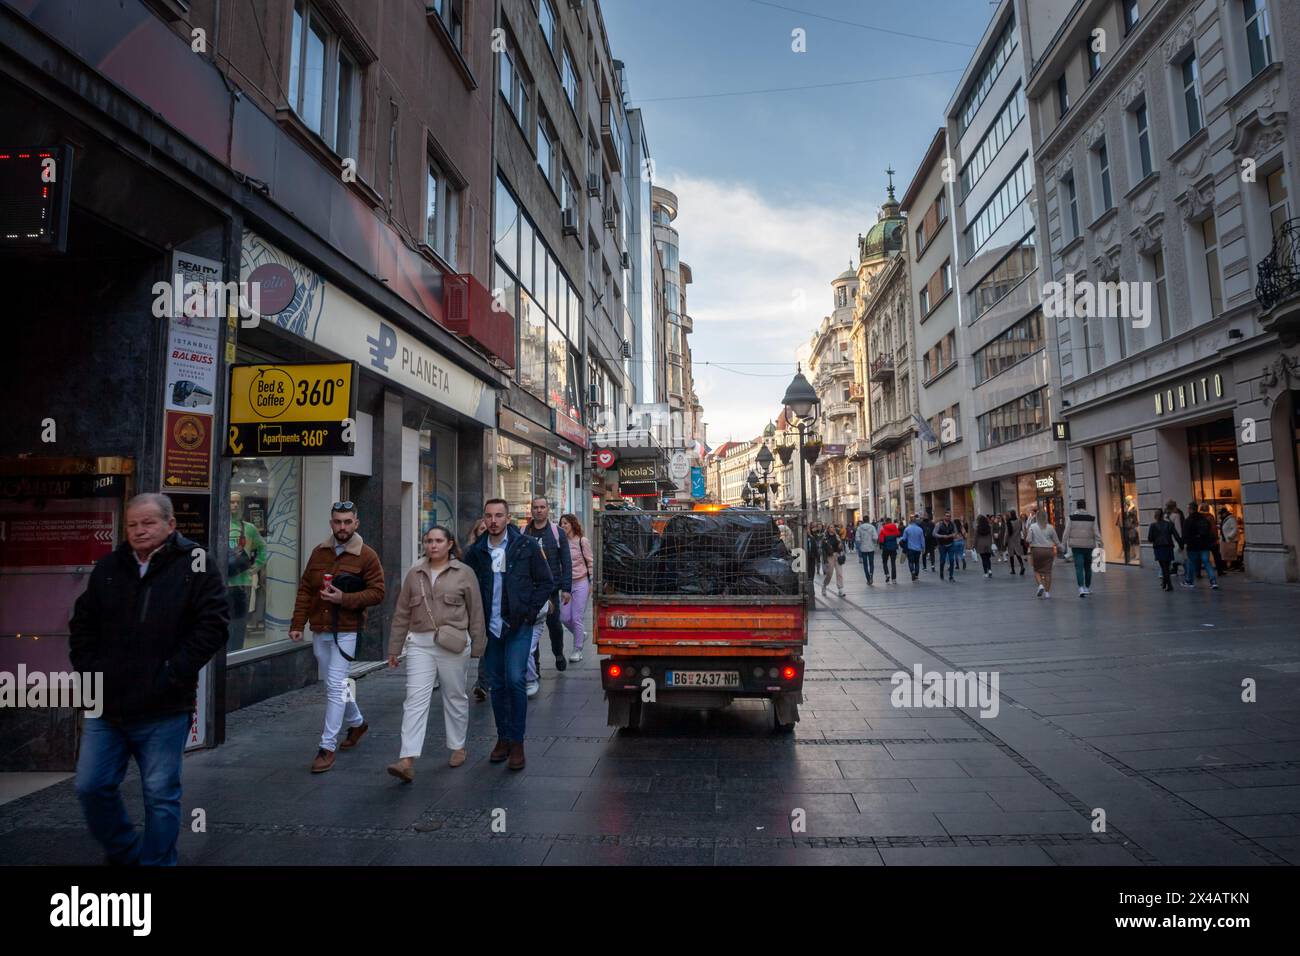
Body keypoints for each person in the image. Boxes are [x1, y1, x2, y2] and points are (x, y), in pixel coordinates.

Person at [69, 493, 228, 866]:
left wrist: (172, 673)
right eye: (132, 525)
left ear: (170, 525)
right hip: (106, 705)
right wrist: (92, 671)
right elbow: (82, 626)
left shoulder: (197, 563)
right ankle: (126, 853)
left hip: (163, 705)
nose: (139, 531)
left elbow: (213, 625)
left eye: (148, 523)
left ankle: (156, 864)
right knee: (91, 786)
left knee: (159, 794)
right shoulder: (110, 566)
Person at [290, 501, 386, 773]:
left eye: (347, 522)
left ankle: (326, 746)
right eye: (337, 522)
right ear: (331, 523)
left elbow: (378, 592)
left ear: (356, 523)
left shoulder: (366, 555)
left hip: (346, 628)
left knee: (334, 683)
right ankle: (357, 723)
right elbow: (305, 590)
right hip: (320, 627)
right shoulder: (319, 552)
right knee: (334, 681)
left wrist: (344, 598)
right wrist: (298, 623)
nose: (342, 527)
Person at [386, 526, 486, 780]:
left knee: (454, 696)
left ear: (450, 544)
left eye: (439, 541)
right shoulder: (415, 574)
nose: (433, 545)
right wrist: (394, 649)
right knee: (415, 699)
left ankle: (457, 746)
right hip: (420, 642)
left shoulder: (464, 573)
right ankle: (406, 758)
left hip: (452, 643)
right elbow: (402, 613)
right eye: (429, 541)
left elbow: (476, 612)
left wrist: (478, 646)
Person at [463, 498, 553, 770]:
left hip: (517, 626)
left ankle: (518, 742)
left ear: (507, 518)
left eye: (499, 515)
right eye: (489, 515)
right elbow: (466, 585)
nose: (493, 520)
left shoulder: (524, 545)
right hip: (490, 629)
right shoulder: (475, 552)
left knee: (515, 679)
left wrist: (528, 611)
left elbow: (546, 581)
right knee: (497, 684)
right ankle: (502, 738)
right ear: (483, 519)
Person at [522, 497, 572, 687]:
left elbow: (566, 561)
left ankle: (558, 653)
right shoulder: (523, 531)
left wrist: (566, 588)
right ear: (532, 510)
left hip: (550, 589)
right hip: (529, 590)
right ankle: (535, 664)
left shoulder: (557, 532)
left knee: (554, 625)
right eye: (535, 507)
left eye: (542, 507)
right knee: (531, 626)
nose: (539, 510)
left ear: (547, 509)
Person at [226, 491, 268, 653]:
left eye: (237, 502)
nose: (235, 505)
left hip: (242, 583)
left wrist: (254, 568)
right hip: (222, 583)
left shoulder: (249, 528)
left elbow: (263, 548)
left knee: (239, 624)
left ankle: (236, 655)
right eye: (231, 502)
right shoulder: (218, 526)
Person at [559, 514, 594, 662]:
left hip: (581, 583)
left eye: (566, 523)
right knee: (564, 617)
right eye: (561, 524)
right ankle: (581, 634)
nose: (563, 526)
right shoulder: (560, 543)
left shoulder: (582, 541)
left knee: (577, 617)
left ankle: (577, 649)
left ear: (572, 524)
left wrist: (591, 582)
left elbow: (590, 562)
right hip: (566, 584)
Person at [465, 518, 491, 703]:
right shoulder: (470, 553)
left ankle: (482, 683)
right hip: (469, 605)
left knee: (485, 644)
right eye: (480, 528)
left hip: (488, 606)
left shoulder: (497, 552)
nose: (484, 531)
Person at [1063, 499, 1102, 598]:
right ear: (1085, 507)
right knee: (1088, 567)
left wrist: (1063, 543)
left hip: (1076, 546)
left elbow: (1066, 532)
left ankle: (1081, 587)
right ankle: (1087, 587)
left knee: (1079, 567)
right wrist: (1101, 542)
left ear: (1077, 507)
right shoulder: (1092, 518)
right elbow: (1096, 532)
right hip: (1088, 546)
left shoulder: (1071, 518)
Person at [1025, 509, 1062, 598]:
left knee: (1037, 570)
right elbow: (1056, 541)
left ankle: (1040, 585)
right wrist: (1061, 548)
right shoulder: (1050, 527)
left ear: (1036, 518)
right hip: (1049, 551)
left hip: (1036, 550)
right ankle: (1047, 593)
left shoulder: (1032, 527)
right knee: (1048, 572)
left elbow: (1028, 539)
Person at [1182, 505, 1219, 590]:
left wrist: (1185, 543)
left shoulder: (1188, 520)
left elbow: (1185, 534)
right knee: (1207, 562)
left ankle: (1189, 581)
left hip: (1193, 546)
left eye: (1188, 508)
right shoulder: (1204, 519)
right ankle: (1213, 582)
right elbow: (1209, 531)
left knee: (1191, 563)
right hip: (1204, 545)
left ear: (1191, 509)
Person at [1148, 508, 1183, 591]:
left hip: (1159, 547)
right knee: (1166, 566)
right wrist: (1181, 545)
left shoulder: (1153, 525)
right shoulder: (1169, 524)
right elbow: (1176, 536)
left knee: (1164, 567)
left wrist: (1155, 538)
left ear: (1155, 516)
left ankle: (1169, 585)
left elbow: (1150, 538)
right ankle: (1165, 582)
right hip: (1168, 546)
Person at [820, 525, 845, 597]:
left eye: (833, 527)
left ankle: (840, 589)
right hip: (829, 557)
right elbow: (823, 549)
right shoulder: (825, 538)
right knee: (829, 574)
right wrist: (825, 559)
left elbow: (841, 547)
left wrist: (840, 546)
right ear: (828, 529)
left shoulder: (837, 536)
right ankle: (824, 585)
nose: (833, 528)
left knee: (839, 573)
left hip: (837, 555)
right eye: (831, 527)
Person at [933, 511, 958, 582]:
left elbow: (956, 532)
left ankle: (951, 576)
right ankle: (941, 573)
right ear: (944, 517)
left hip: (951, 544)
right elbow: (934, 533)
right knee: (942, 560)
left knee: (952, 560)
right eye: (947, 516)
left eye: (949, 516)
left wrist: (952, 535)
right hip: (942, 545)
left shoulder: (952, 524)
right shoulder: (939, 524)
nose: (948, 517)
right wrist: (942, 536)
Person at [854, 516, 877, 585]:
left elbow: (857, 539)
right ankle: (871, 575)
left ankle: (868, 578)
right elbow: (875, 537)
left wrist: (861, 542)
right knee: (871, 563)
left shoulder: (859, 528)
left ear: (863, 521)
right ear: (869, 520)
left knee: (865, 564)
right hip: (871, 547)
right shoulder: (872, 527)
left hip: (863, 548)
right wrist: (874, 543)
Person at [902, 514, 926, 581]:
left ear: (910, 522)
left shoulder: (907, 529)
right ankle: (916, 575)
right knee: (917, 562)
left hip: (910, 548)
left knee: (910, 562)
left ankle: (912, 571)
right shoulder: (920, 529)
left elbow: (904, 539)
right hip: (918, 549)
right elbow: (922, 540)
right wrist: (923, 548)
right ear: (915, 522)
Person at [877, 517, 901, 583]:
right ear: (891, 521)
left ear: (886, 522)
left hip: (886, 548)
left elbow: (881, 540)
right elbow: (898, 534)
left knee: (884, 562)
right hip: (893, 548)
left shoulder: (883, 529)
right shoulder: (894, 528)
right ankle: (894, 579)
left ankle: (887, 574)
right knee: (893, 563)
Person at [1004, 511, 1026, 575]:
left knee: (1011, 556)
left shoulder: (1008, 522)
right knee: (1018, 554)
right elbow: (1021, 530)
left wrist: (1004, 542)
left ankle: (1013, 570)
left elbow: (1007, 533)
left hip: (1010, 541)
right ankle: (1022, 566)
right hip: (1017, 540)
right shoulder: (1019, 521)